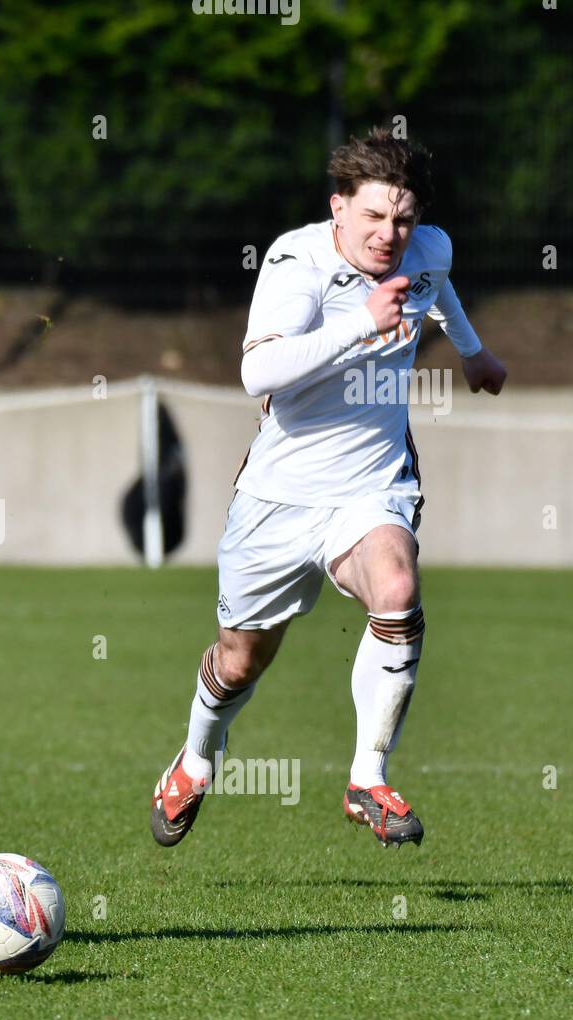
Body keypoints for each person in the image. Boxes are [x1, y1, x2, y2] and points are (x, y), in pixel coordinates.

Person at [151, 126, 506, 850]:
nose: (389, 235)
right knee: (240, 659)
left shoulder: (427, 248)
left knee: (398, 590)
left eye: (402, 219)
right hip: (279, 498)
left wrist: (472, 352)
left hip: (372, 485)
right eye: (373, 217)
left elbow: (437, 285)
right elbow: (258, 375)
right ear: (338, 207)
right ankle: (195, 759)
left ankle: (367, 777)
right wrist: (357, 325)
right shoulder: (294, 261)